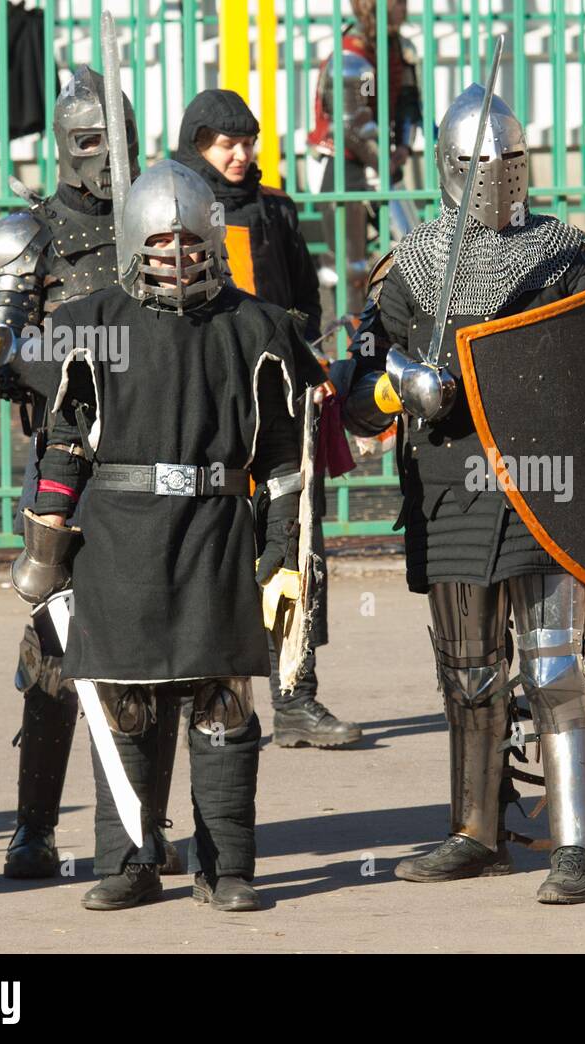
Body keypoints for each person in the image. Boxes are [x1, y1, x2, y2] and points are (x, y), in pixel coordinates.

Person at [0, 159, 326, 910]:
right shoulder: (93, 327)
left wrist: (280, 554)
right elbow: (65, 444)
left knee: (222, 705)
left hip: (215, 528)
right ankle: (130, 862)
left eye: (190, 240)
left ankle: (227, 867)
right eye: (162, 240)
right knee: (126, 706)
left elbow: (279, 456)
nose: (178, 255)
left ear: (213, 237)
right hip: (120, 530)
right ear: (138, 241)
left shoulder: (255, 327)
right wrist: (45, 541)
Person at [337, 84, 585, 905]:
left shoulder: (567, 257)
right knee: (469, 672)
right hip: (452, 486)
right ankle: (476, 831)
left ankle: (576, 846)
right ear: (447, 168)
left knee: (555, 665)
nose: (498, 177)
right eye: (478, 163)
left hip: (542, 488)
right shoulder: (409, 267)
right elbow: (356, 391)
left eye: (512, 160)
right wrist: (402, 388)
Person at [0, 66, 188, 879]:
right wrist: (82, 364)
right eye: (92, 142)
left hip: (159, 453)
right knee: (58, 652)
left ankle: (146, 824)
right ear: (66, 147)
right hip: (71, 457)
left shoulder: (165, 215)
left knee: (159, 648)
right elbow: (0, 360)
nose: (107, 156)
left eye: (118, 138)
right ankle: (33, 829)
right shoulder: (28, 235)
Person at [175, 87, 361, 751]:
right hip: (206, 406)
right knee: (207, 546)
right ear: (196, 142)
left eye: (247, 140)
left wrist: (299, 361)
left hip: (279, 403)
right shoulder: (173, 207)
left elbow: (306, 304)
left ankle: (296, 695)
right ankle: (209, 696)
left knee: (297, 541)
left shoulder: (276, 210)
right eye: (226, 142)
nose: (240, 153)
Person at [308, 0, 422, 307]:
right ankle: (354, 343)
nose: (403, 8)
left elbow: (410, 102)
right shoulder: (350, 53)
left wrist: (404, 147)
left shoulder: (399, 46)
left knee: (414, 247)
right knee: (350, 268)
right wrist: (385, 162)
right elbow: (348, 127)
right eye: (396, 3)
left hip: (379, 159)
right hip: (340, 162)